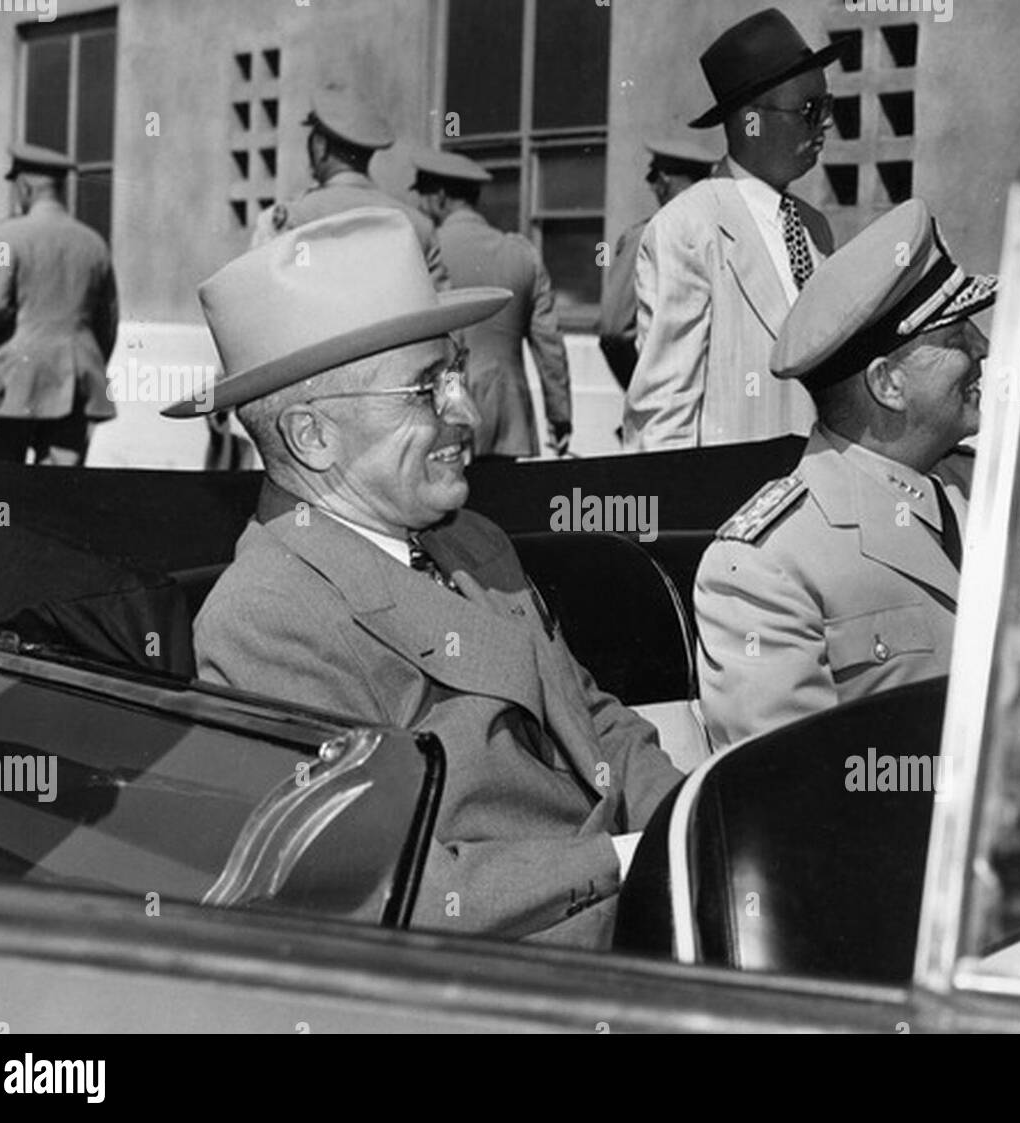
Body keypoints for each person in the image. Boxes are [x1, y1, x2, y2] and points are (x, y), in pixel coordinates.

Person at [164, 208, 680, 947]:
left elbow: (595, 717)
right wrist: (629, 859)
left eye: (457, 372)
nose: (466, 412)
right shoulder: (265, 622)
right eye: (425, 390)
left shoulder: (468, 539)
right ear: (312, 436)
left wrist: (694, 818)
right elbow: (390, 890)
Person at [695, 200, 1020, 750]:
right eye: (957, 340)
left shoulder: (979, 494)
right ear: (889, 384)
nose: (984, 347)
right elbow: (791, 794)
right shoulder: (763, 567)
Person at [622, 7, 840, 450]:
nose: (827, 124)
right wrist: (676, 512)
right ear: (750, 120)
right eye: (811, 110)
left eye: (828, 106)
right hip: (732, 499)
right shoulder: (687, 228)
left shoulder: (814, 227)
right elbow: (663, 410)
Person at [411, 149, 572, 458]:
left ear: (440, 197)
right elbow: (549, 344)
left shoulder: (427, 253)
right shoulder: (521, 252)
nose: (419, 206)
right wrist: (560, 414)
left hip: (447, 410)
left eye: (423, 194)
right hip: (510, 414)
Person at [0, 144, 119, 465]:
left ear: (24, 187)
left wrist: (6, 352)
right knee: (58, 493)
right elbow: (107, 324)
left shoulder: (5, 238)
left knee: (2, 485)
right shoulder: (94, 243)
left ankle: (5, 518)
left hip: (15, 378)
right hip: (77, 382)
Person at [251, 81, 447, 288]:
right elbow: (440, 307)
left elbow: (258, 298)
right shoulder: (418, 226)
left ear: (320, 146)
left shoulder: (289, 220)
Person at [598, 140, 717, 390]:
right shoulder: (725, 234)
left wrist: (642, 394)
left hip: (667, 401)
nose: (651, 184)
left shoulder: (646, 236)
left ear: (663, 180)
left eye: (652, 175)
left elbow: (613, 329)